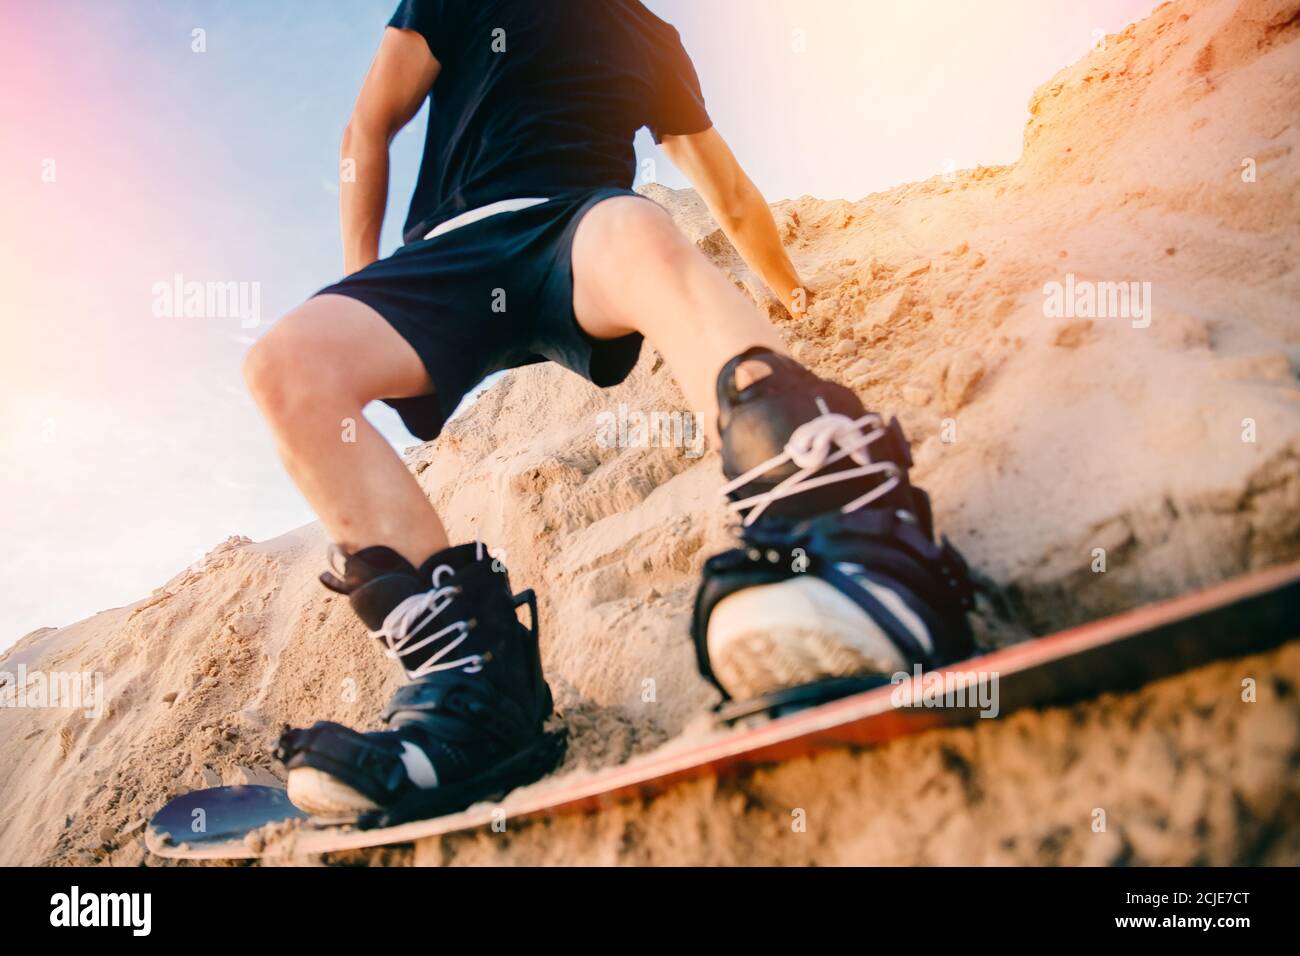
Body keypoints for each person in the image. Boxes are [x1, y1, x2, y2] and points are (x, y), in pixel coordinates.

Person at [248, 0, 974, 824]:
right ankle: (476, 693)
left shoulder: (647, 34)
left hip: (575, 234)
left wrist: (795, 294)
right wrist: (362, 282)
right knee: (284, 365)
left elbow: (728, 194)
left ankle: (850, 542)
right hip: (445, 261)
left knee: (637, 226)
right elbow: (368, 126)